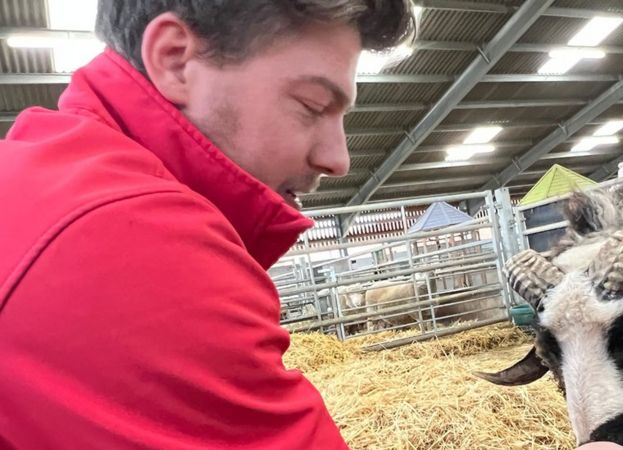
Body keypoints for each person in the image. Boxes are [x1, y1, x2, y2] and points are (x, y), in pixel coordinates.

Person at [0, 1, 414, 449]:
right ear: (176, 60)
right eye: (311, 105)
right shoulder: (138, 240)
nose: (339, 159)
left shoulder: (43, 178)